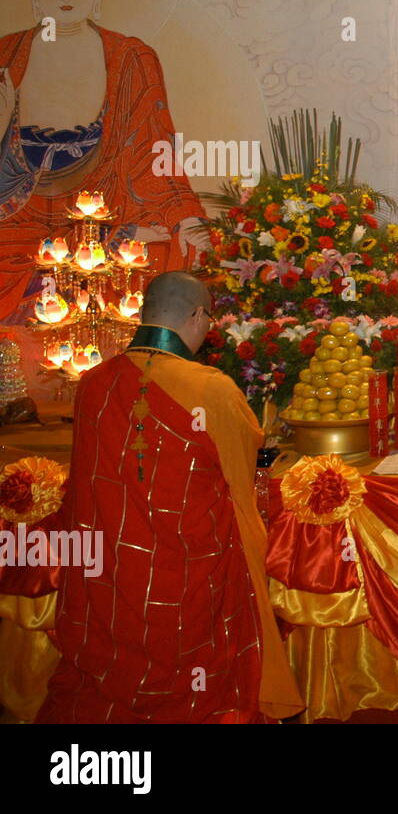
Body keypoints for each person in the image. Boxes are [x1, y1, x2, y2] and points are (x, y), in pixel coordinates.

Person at [37, 272, 302, 723]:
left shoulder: (93, 384)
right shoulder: (210, 387)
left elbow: (87, 484)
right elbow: (245, 476)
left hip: (111, 572)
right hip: (188, 573)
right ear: (198, 315)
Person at [0, 0, 209, 325]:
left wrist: (184, 215)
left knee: (171, 249)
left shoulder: (131, 57)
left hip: (105, 211)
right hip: (19, 214)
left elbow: (155, 149)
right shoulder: (6, 55)